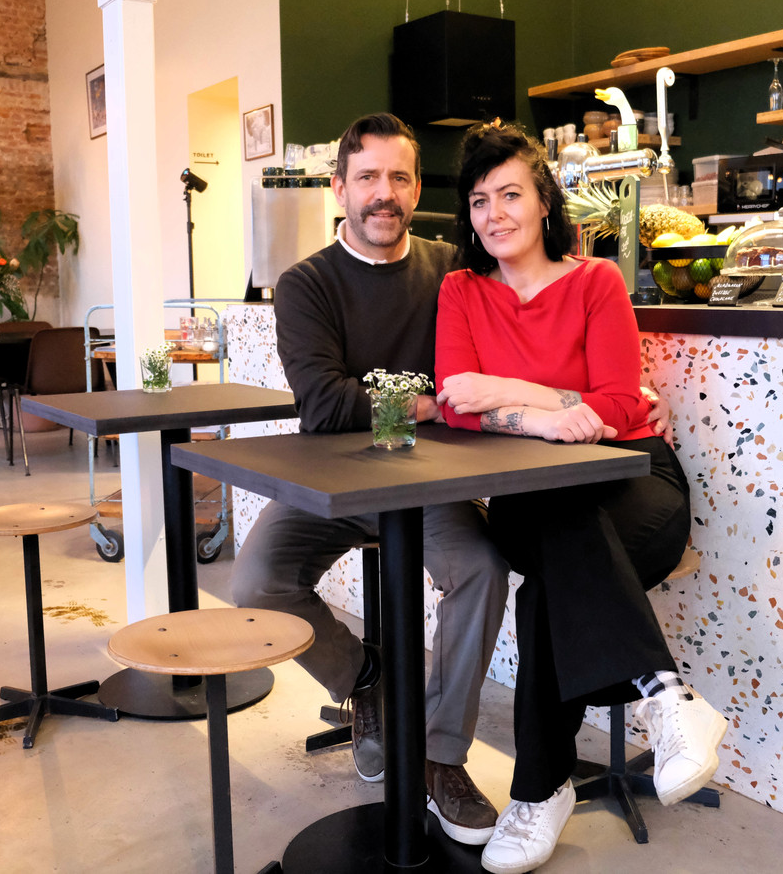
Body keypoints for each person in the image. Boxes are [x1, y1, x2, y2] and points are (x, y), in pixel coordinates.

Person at [434, 120, 729, 874]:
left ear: (543, 202)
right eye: (478, 201)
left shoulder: (595, 281)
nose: (494, 214)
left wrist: (512, 392)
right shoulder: (461, 291)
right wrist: (548, 417)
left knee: (547, 590)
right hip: (527, 495)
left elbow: (622, 409)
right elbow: (456, 404)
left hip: (634, 479)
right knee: (555, 518)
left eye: (510, 195)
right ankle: (666, 696)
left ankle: (539, 794)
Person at [231, 113, 509, 846]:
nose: (383, 193)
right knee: (255, 585)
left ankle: (441, 754)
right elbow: (324, 407)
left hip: (429, 483)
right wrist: (431, 402)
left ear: (415, 190)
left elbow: (501, 353)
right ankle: (366, 681)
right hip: (332, 481)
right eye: (367, 178)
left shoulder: (454, 269)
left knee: (482, 570)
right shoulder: (306, 284)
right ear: (340, 188)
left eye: (398, 178)